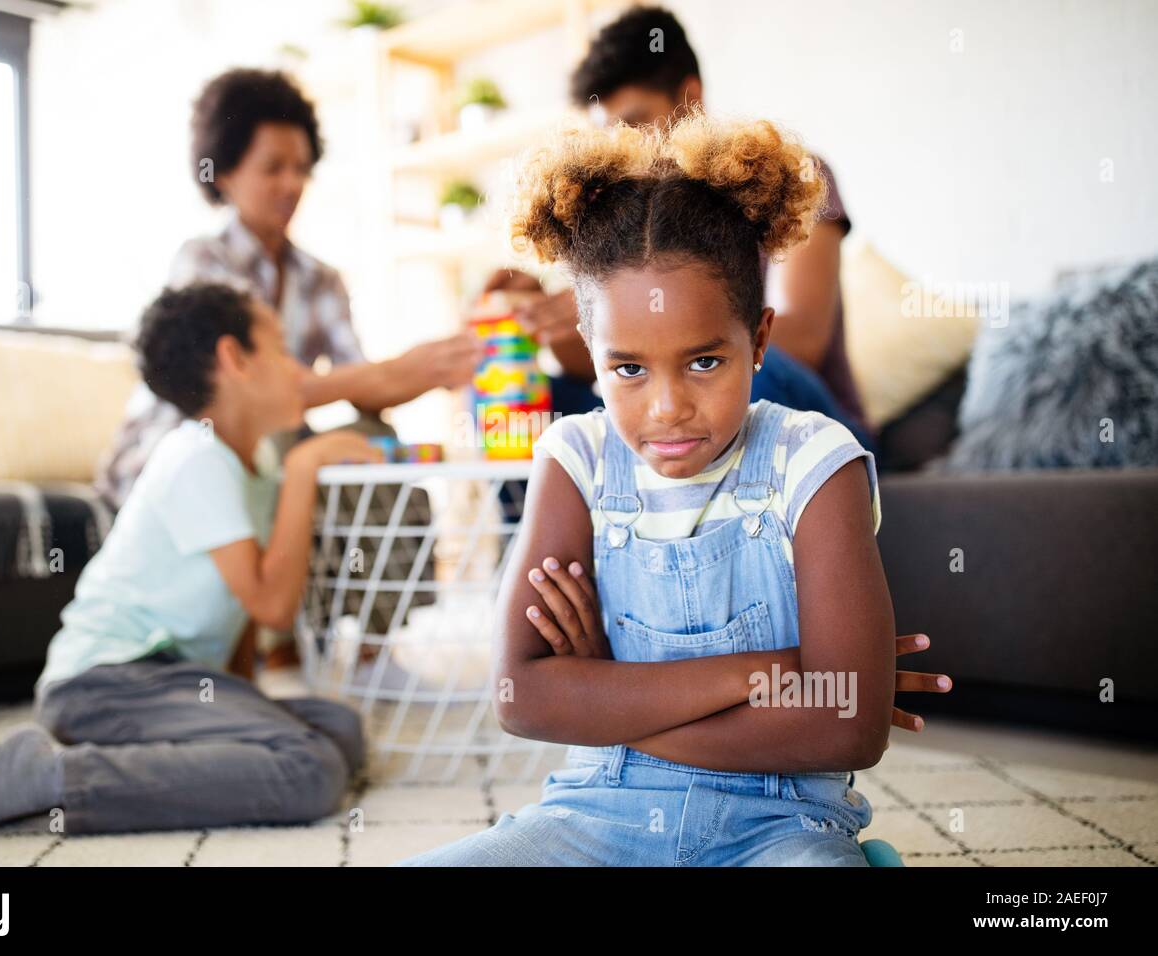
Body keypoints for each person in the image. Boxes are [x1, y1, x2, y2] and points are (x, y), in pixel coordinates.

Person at [395, 113, 950, 866]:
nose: (666, 408)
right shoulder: (574, 457)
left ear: (757, 340)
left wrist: (605, 694)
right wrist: (768, 673)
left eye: (703, 363)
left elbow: (849, 725)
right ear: (590, 357)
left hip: (783, 827)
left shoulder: (814, 458)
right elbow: (521, 698)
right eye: (628, 369)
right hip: (594, 811)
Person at [0, 283, 385, 836]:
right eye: (280, 349)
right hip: (104, 683)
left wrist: (242, 713)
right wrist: (305, 470)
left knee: (340, 730)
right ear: (234, 359)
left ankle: (113, 766)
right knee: (309, 770)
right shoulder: (196, 456)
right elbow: (273, 606)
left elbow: (241, 618)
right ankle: (52, 776)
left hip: (173, 681)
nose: (298, 369)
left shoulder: (252, 468)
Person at [96, 68, 481, 511]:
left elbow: (359, 385)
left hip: (264, 449)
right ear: (223, 174)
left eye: (301, 168)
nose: (292, 184)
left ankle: (360, 579)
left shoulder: (321, 279)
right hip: (176, 452)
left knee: (376, 439)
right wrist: (391, 370)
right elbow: (240, 391)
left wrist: (432, 368)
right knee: (277, 446)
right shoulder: (203, 260)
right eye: (273, 168)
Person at [505, 5, 874, 451]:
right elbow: (602, 369)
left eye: (638, 120)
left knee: (756, 366)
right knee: (520, 404)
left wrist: (700, 348)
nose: (627, 142)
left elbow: (802, 341)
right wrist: (551, 320)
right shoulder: (620, 212)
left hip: (793, 399)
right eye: (611, 131)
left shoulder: (792, 178)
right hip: (682, 408)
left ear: (690, 96)